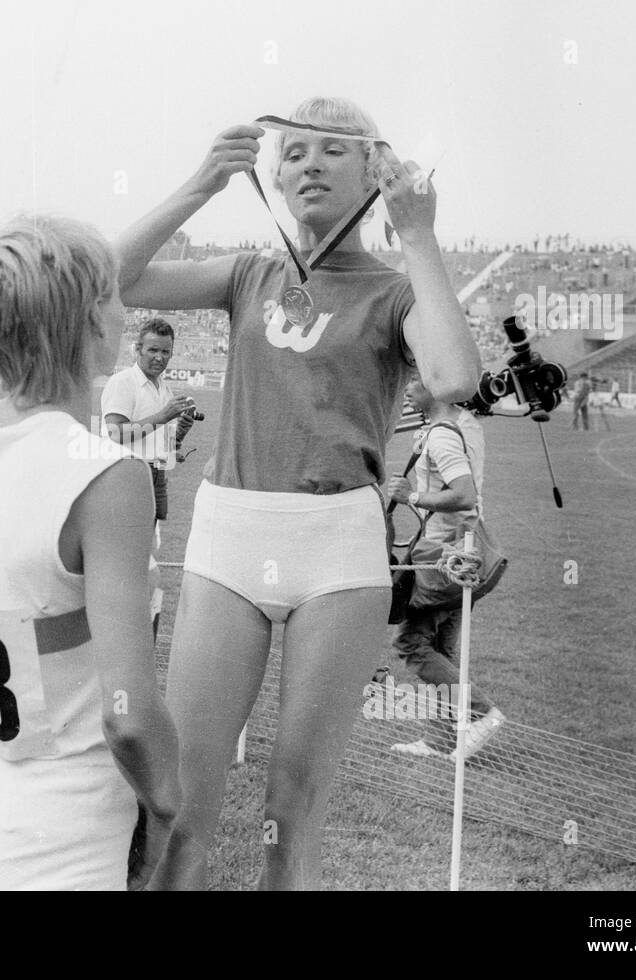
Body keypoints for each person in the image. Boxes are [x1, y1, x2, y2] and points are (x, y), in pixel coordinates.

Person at [115, 97, 480, 889]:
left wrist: (417, 233)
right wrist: (200, 183)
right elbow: (113, 282)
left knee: (292, 811)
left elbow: (454, 377)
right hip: (229, 535)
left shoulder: (394, 290)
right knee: (180, 805)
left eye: (332, 151)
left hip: (337, 546)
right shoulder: (248, 272)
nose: (309, 163)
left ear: (374, 169)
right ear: (273, 176)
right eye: (294, 152)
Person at [0, 214, 181, 890]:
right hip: (53, 840)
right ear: (92, 319)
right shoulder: (108, 477)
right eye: (115, 294)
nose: (126, 308)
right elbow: (127, 713)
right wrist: (173, 811)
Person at [386, 376, 504, 759]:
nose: (406, 388)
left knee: (411, 643)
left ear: (438, 387)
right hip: (464, 551)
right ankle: (439, 740)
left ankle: (482, 712)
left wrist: (412, 497)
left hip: (443, 556)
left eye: (414, 382)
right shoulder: (466, 424)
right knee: (441, 648)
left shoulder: (440, 436)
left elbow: (464, 494)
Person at [100, 317, 199, 638]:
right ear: (137, 349)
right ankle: (122, 631)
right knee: (127, 560)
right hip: (127, 478)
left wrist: (179, 433)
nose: (160, 357)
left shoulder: (162, 388)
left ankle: (136, 629)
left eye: (166, 352)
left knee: (144, 558)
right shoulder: (124, 382)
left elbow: (160, 444)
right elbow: (115, 433)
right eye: (153, 350)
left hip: (153, 476)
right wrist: (164, 415)